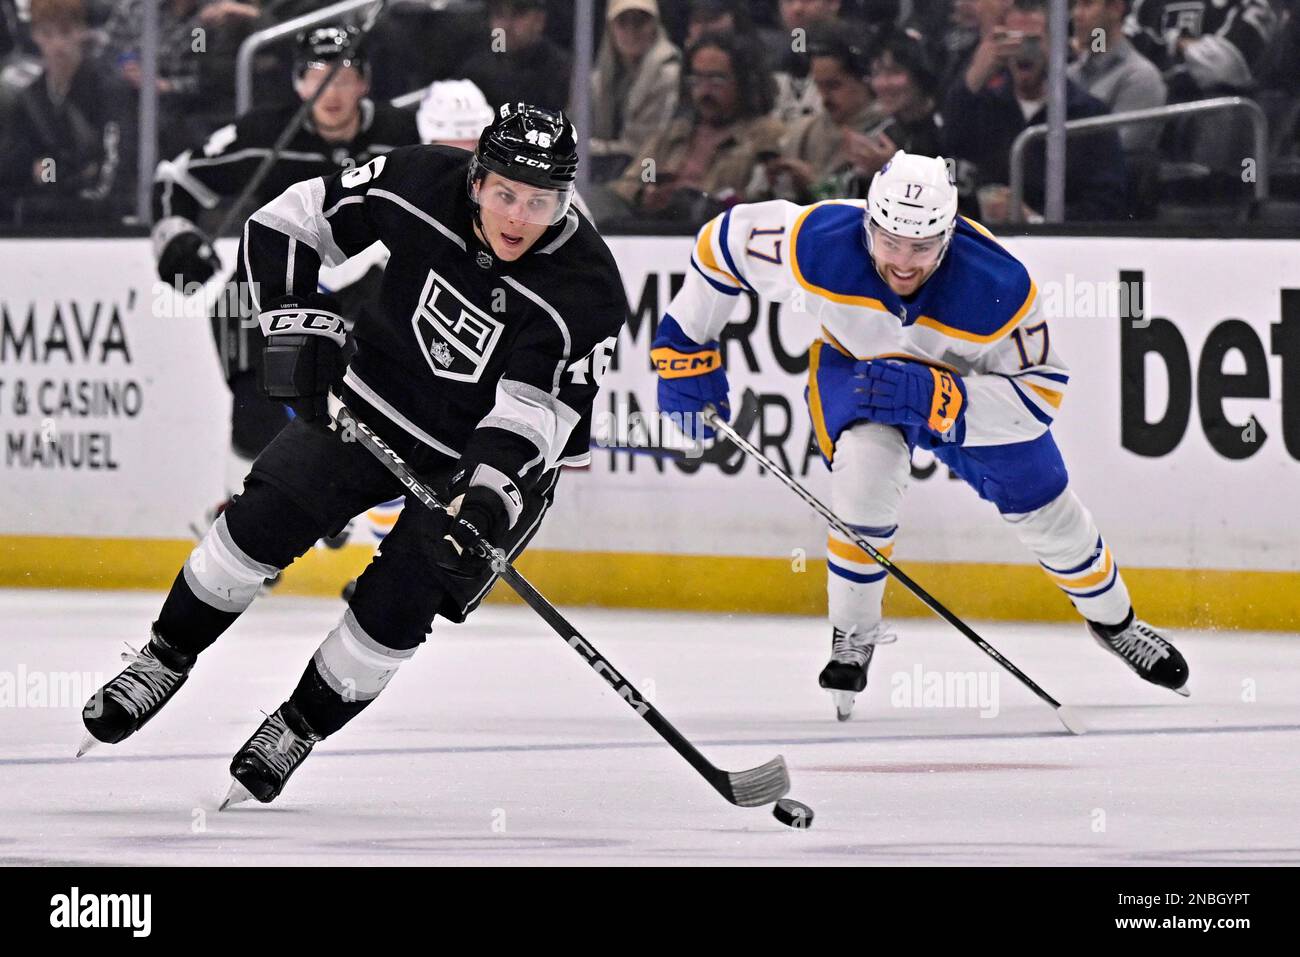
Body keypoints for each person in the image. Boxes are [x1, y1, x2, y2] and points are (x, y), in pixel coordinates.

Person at [79, 104, 629, 808]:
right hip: (372, 400)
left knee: (399, 604)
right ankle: (163, 657)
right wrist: (291, 321)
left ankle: (297, 726)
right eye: (504, 194)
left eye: (540, 202)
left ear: (564, 199)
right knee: (258, 523)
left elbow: (529, 415)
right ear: (477, 179)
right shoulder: (422, 178)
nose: (519, 217)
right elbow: (292, 218)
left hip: (480, 463)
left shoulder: (584, 289)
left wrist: (484, 499)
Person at [650, 150, 1189, 720]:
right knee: (864, 476)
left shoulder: (1000, 287)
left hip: (974, 391)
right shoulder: (815, 241)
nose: (903, 263)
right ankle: (853, 636)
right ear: (868, 225)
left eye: (923, 247)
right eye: (890, 242)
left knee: (1047, 509)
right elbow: (723, 242)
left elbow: (1040, 396)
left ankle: (1116, 622)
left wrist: (945, 398)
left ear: (949, 235)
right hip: (861, 370)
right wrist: (687, 344)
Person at [151, 24, 419, 500]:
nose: (330, 91)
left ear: (364, 82)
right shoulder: (263, 133)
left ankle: (347, 499)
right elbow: (177, 178)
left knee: (369, 406)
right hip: (274, 282)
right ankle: (241, 503)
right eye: (317, 77)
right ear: (297, 83)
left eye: (342, 77)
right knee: (247, 371)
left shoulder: (402, 133)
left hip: (368, 285)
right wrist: (177, 238)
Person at [942, 0, 1127, 222]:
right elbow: (949, 142)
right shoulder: (986, 107)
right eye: (1013, 40)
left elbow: (1107, 206)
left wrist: (1033, 219)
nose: (1023, 52)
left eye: (1033, 41)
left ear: (1055, 44)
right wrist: (975, 75)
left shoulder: (1088, 115)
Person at [599, 30, 784, 224]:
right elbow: (626, 186)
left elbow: (770, 200)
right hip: (659, 237)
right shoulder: (670, 136)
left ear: (744, 82)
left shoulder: (767, 136)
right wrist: (645, 195)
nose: (705, 90)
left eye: (717, 79)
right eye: (697, 79)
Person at [0, 0, 133, 225]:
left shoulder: (107, 90)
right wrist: (54, 171)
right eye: (47, 34)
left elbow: (114, 161)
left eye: (66, 32)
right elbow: (16, 163)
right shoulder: (31, 97)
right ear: (34, 35)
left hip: (98, 215)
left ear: (81, 32)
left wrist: (53, 170)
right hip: (40, 213)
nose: (58, 44)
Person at [588, 0, 681, 183]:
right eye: (623, 22)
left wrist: (588, 147)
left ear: (654, 25)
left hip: (650, 172)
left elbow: (642, 145)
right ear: (611, 28)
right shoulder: (599, 77)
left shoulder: (668, 73)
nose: (631, 31)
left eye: (640, 22)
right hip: (605, 170)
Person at [1068, 0, 1166, 154]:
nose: (1076, 14)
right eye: (1075, 5)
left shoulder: (1141, 77)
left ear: (1115, 8)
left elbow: (1113, 153)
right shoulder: (1071, 73)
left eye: (1087, 4)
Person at [459, 0, 571, 112]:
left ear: (539, 20)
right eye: (499, 14)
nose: (506, 26)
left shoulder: (562, 73)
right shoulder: (476, 71)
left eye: (518, 14)